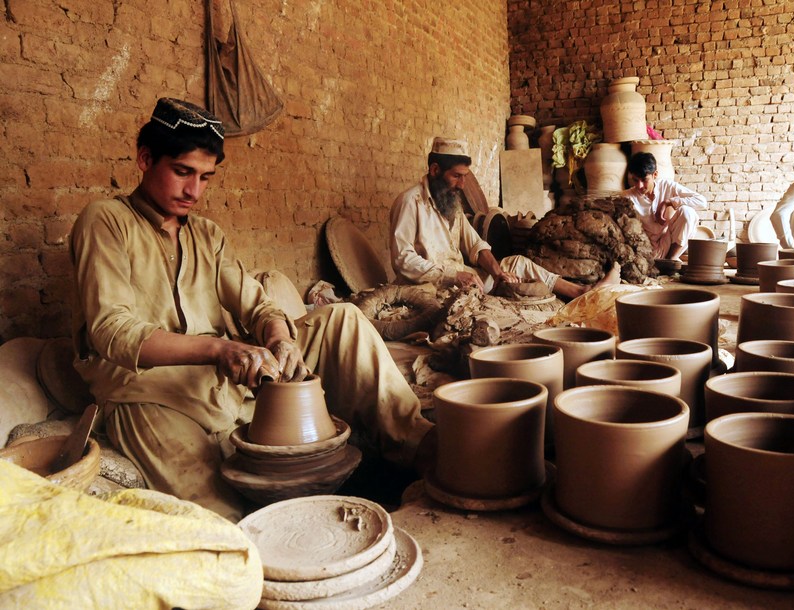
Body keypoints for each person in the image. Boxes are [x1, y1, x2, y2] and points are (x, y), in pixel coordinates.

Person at [69, 98, 433, 522]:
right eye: (183, 172)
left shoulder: (206, 234)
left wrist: (279, 338)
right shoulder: (106, 221)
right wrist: (218, 351)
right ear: (145, 158)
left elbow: (257, 303)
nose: (194, 191)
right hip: (148, 392)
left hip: (223, 378)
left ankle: (422, 446)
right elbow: (113, 331)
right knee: (222, 513)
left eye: (206, 178)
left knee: (343, 319)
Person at [390, 137, 618, 298]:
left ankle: (581, 292)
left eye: (465, 177)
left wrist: (497, 272)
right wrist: (453, 275)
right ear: (435, 170)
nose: (462, 185)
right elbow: (403, 260)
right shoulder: (410, 202)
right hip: (428, 288)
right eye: (457, 176)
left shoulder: (450, 202)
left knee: (517, 263)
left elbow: (476, 245)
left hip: (462, 280)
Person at [621, 151, 708, 261]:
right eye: (635, 180)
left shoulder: (667, 186)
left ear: (655, 175)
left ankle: (671, 260)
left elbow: (702, 202)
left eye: (644, 180)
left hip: (669, 243)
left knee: (687, 212)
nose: (639, 185)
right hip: (646, 252)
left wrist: (668, 202)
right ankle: (663, 263)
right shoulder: (627, 197)